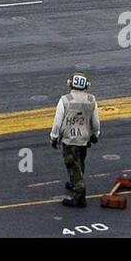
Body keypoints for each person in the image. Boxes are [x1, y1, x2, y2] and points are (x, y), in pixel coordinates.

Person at [50, 73, 101, 208]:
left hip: (69, 138)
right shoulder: (91, 100)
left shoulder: (65, 100)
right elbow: (95, 122)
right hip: (84, 138)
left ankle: (79, 197)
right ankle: (75, 183)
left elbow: (57, 121)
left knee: (72, 165)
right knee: (80, 162)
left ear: (71, 84)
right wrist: (96, 134)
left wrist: (54, 137)